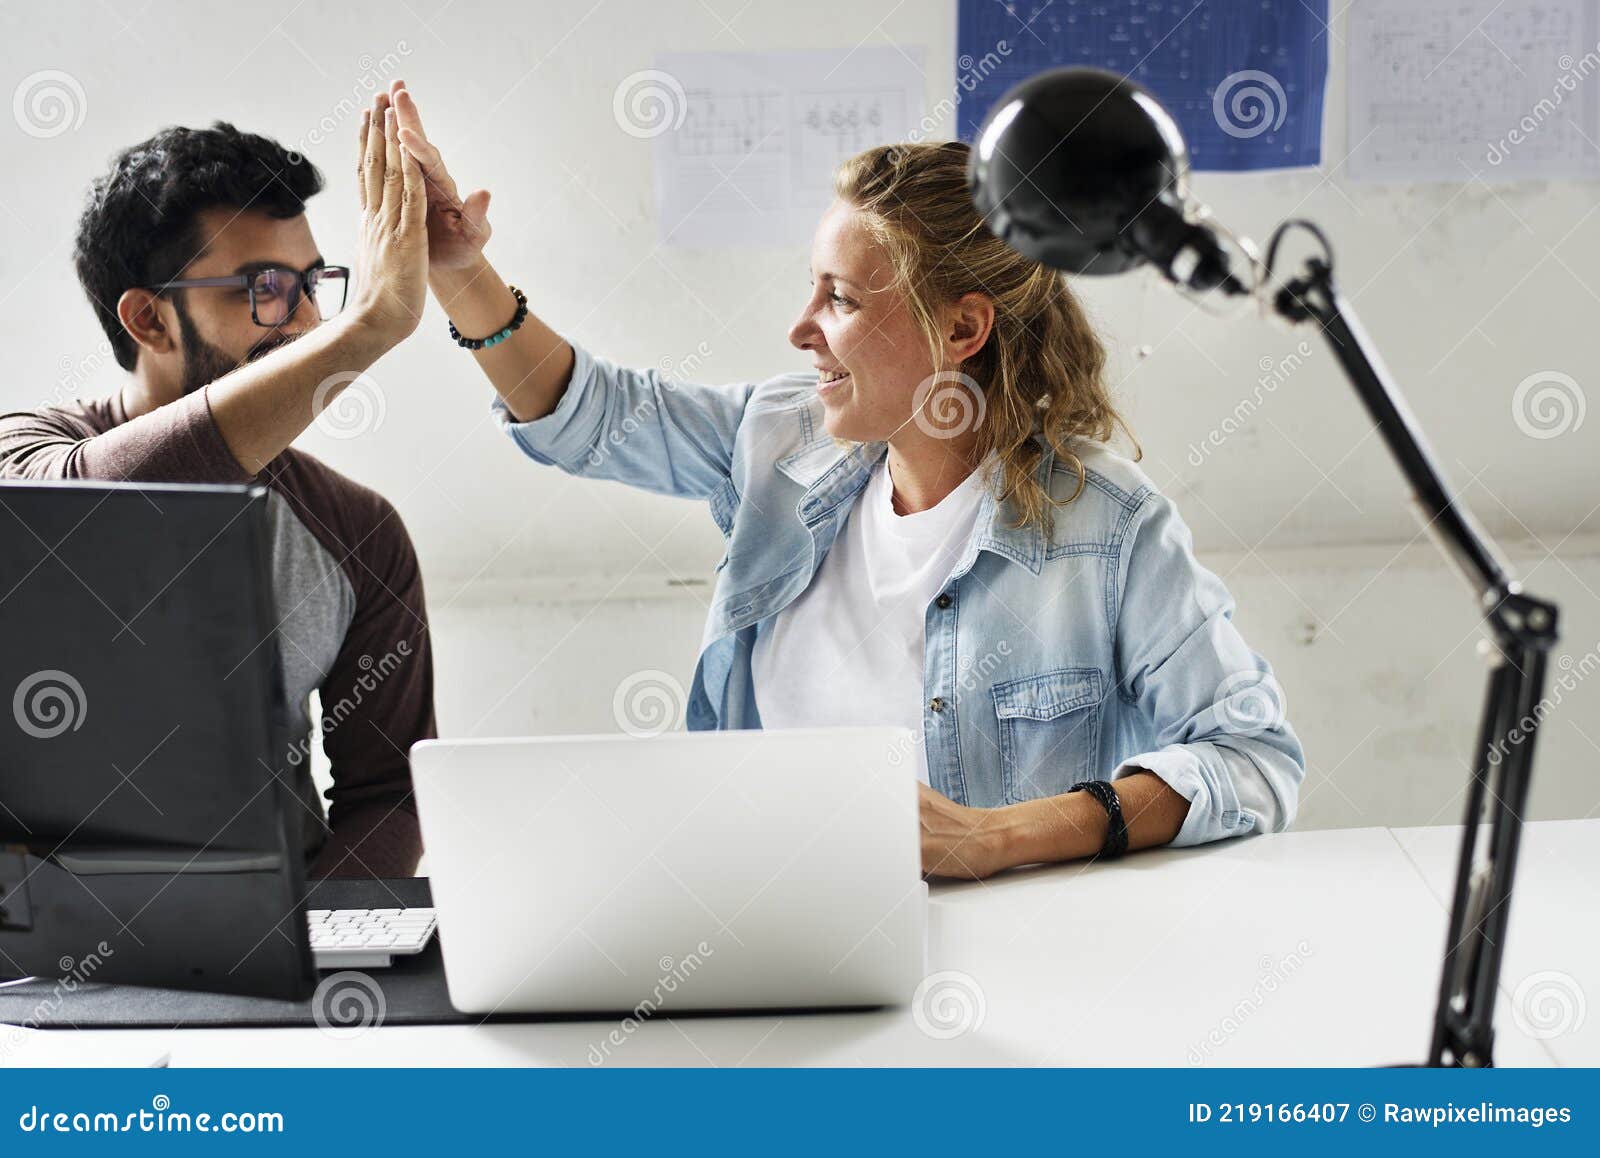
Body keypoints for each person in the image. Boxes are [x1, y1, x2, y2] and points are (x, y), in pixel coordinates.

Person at [387, 79, 1305, 880]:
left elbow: (1251, 759)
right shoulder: (777, 447)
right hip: (769, 928)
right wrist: (464, 273)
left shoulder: (1109, 528)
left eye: (840, 298)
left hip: (1016, 959)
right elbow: (583, 412)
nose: (800, 329)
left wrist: (997, 838)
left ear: (962, 330)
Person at [0, 111, 435, 878]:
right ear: (148, 319)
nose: (303, 323)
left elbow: (389, 794)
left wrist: (316, 943)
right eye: (263, 288)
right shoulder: (26, 454)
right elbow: (85, 519)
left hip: (270, 966)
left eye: (314, 286)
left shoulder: (359, 530)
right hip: (33, 965)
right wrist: (370, 328)